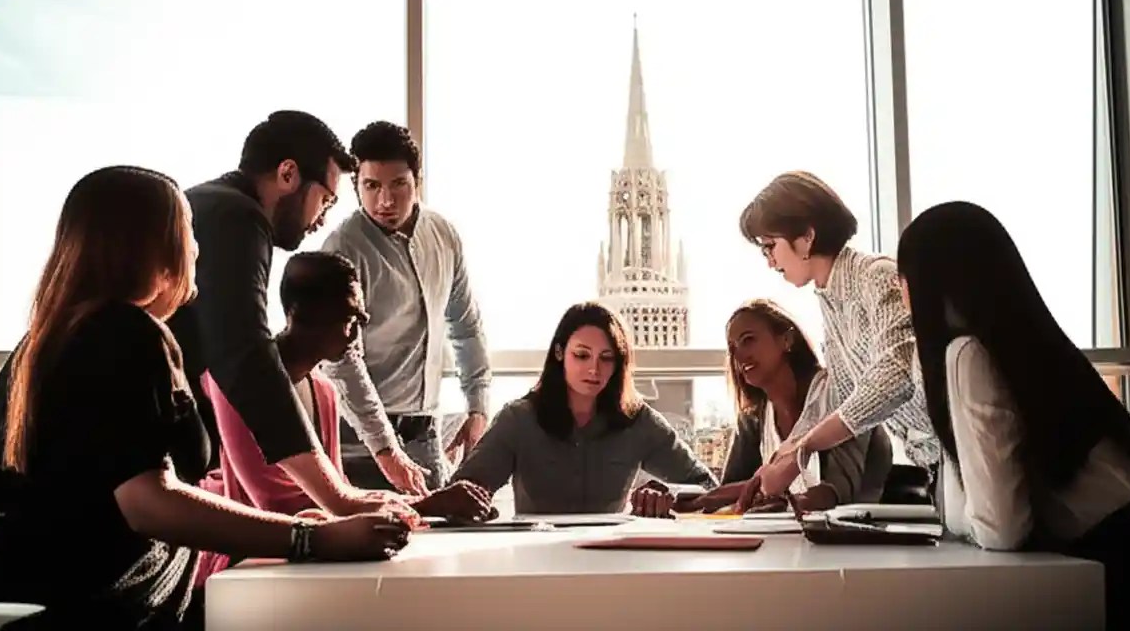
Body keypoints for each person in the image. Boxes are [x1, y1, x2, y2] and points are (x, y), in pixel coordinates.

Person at [0, 166, 410, 630]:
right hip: (92, 608)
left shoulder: (52, 336)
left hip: (31, 586)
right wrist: (310, 539)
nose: (197, 249)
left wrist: (300, 530)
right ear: (155, 245)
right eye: (189, 232)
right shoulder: (127, 334)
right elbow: (149, 503)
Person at [898, 200, 1130, 626]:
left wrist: (966, 518)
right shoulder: (1023, 345)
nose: (899, 293)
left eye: (901, 277)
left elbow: (1000, 527)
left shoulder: (966, 355)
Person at [164, 110, 433, 506]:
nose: (321, 220)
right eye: (325, 199)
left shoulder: (211, 205)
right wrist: (337, 499)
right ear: (288, 175)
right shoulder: (239, 217)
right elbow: (245, 356)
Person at [195, 251, 491, 585]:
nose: (354, 337)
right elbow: (277, 502)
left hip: (304, 561)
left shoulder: (323, 390)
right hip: (245, 565)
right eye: (346, 319)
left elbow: (337, 494)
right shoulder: (235, 384)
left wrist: (426, 504)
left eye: (361, 321)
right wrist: (423, 505)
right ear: (298, 314)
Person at [736, 171, 937, 505]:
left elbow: (896, 375)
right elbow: (837, 398)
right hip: (936, 465)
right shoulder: (831, 301)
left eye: (770, 246)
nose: (769, 261)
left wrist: (803, 449)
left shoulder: (877, 276)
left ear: (806, 238)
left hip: (968, 448)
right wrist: (780, 459)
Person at [321, 121, 491, 492]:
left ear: (418, 181)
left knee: (439, 541)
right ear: (356, 187)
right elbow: (342, 359)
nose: (385, 201)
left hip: (424, 435)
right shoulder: (341, 249)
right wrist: (385, 448)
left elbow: (465, 324)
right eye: (371, 186)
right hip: (357, 441)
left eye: (399, 184)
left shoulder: (443, 235)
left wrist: (477, 405)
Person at [450, 302, 716, 515]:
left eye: (607, 358)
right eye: (581, 355)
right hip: (535, 560)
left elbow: (706, 486)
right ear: (559, 353)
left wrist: (669, 493)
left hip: (612, 562)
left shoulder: (638, 421)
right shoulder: (517, 419)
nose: (594, 369)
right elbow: (459, 494)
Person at [682, 300, 891, 514]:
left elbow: (838, 493)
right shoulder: (754, 417)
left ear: (786, 339)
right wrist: (690, 503)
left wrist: (784, 505)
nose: (739, 355)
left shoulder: (838, 393)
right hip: (788, 540)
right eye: (733, 348)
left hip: (861, 540)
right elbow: (738, 487)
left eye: (748, 340)